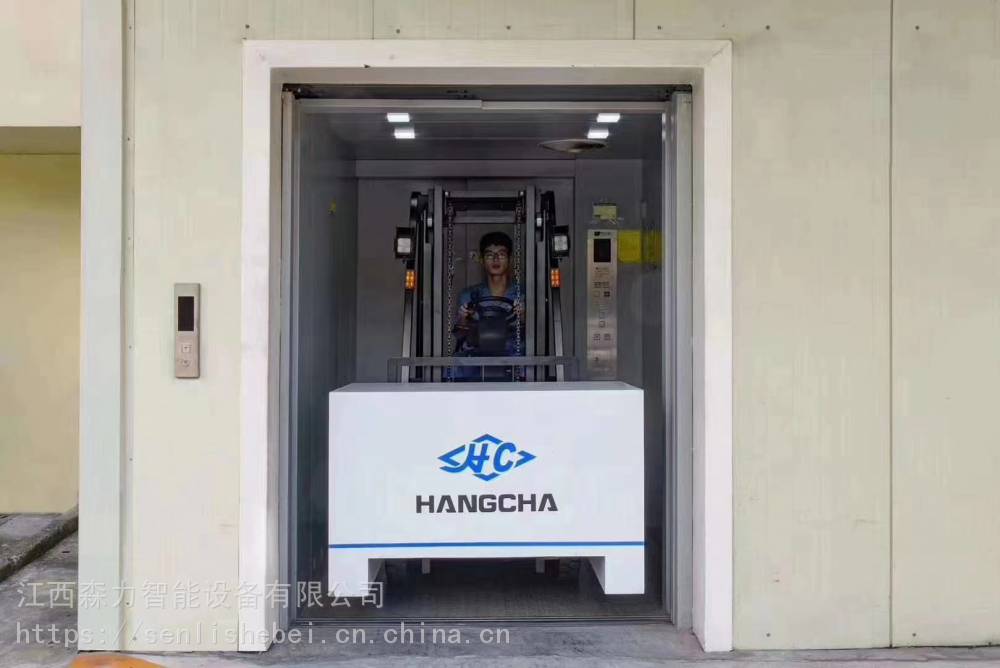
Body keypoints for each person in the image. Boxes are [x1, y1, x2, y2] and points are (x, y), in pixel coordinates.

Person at [451, 231, 524, 380]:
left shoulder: (522, 294)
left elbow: (535, 330)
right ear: (482, 260)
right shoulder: (469, 295)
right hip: (478, 351)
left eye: (501, 254)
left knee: (526, 362)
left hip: (513, 352)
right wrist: (463, 318)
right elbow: (459, 335)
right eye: (490, 255)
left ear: (510, 259)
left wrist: (524, 315)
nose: (495, 259)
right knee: (455, 367)